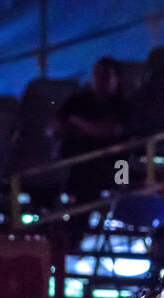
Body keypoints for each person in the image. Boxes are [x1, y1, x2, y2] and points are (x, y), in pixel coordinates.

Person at [53, 56, 131, 205]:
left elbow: (110, 131)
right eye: (96, 75)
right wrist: (92, 129)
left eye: (105, 76)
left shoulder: (124, 105)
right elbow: (57, 128)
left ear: (117, 79)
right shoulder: (78, 101)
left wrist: (78, 122)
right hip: (76, 162)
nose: (99, 80)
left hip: (116, 163)